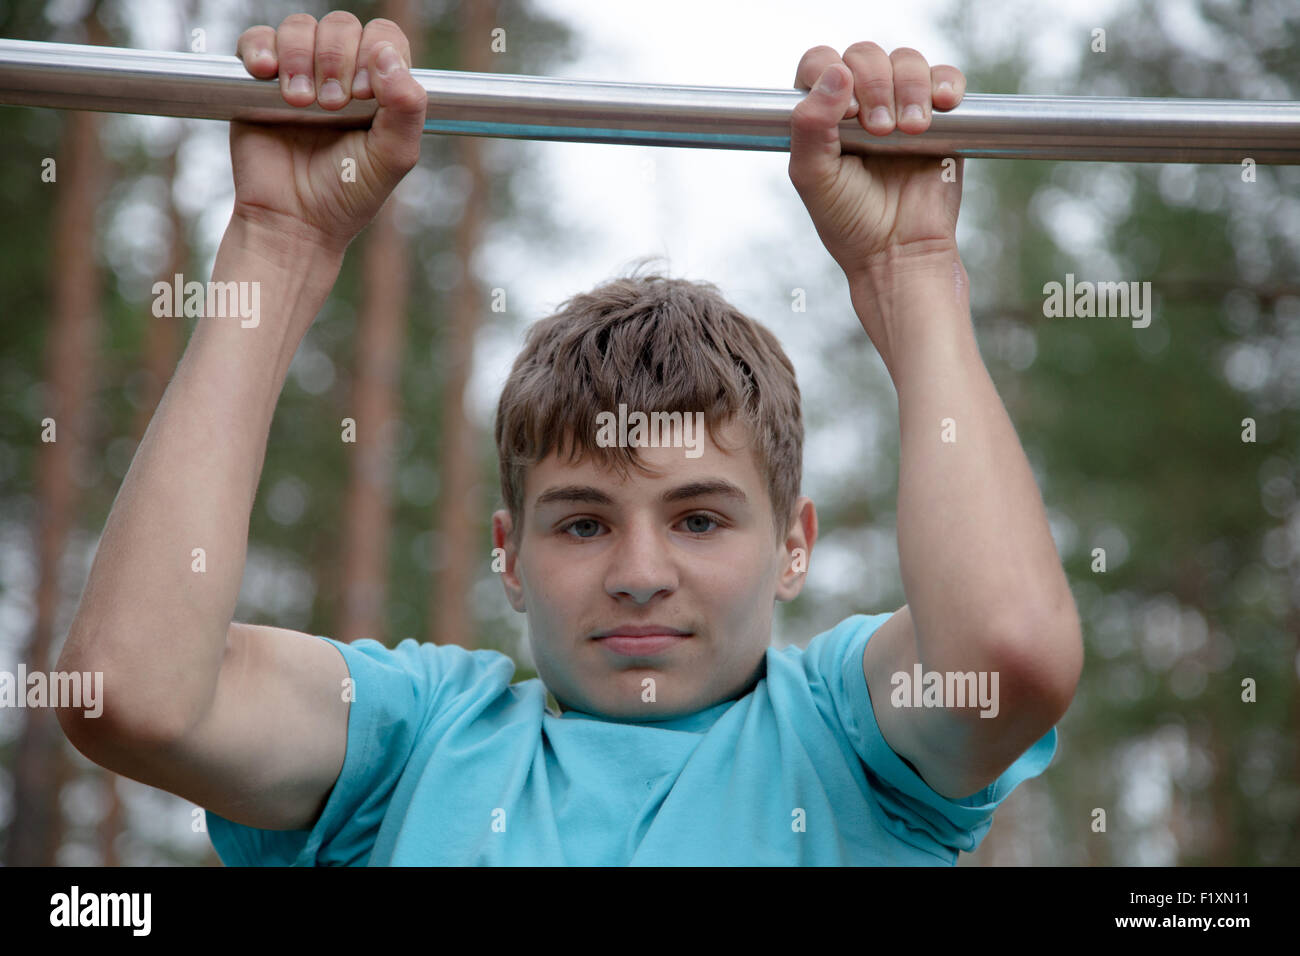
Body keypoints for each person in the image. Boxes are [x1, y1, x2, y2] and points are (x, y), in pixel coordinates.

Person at [56, 11, 1083, 865]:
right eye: (583, 523)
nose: (641, 572)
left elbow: (1010, 651)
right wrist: (274, 250)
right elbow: (129, 692)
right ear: (507, 553)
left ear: (794, 542)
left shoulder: (843, 738)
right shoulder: (414, 739)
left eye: (698, 516)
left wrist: (909, 271)